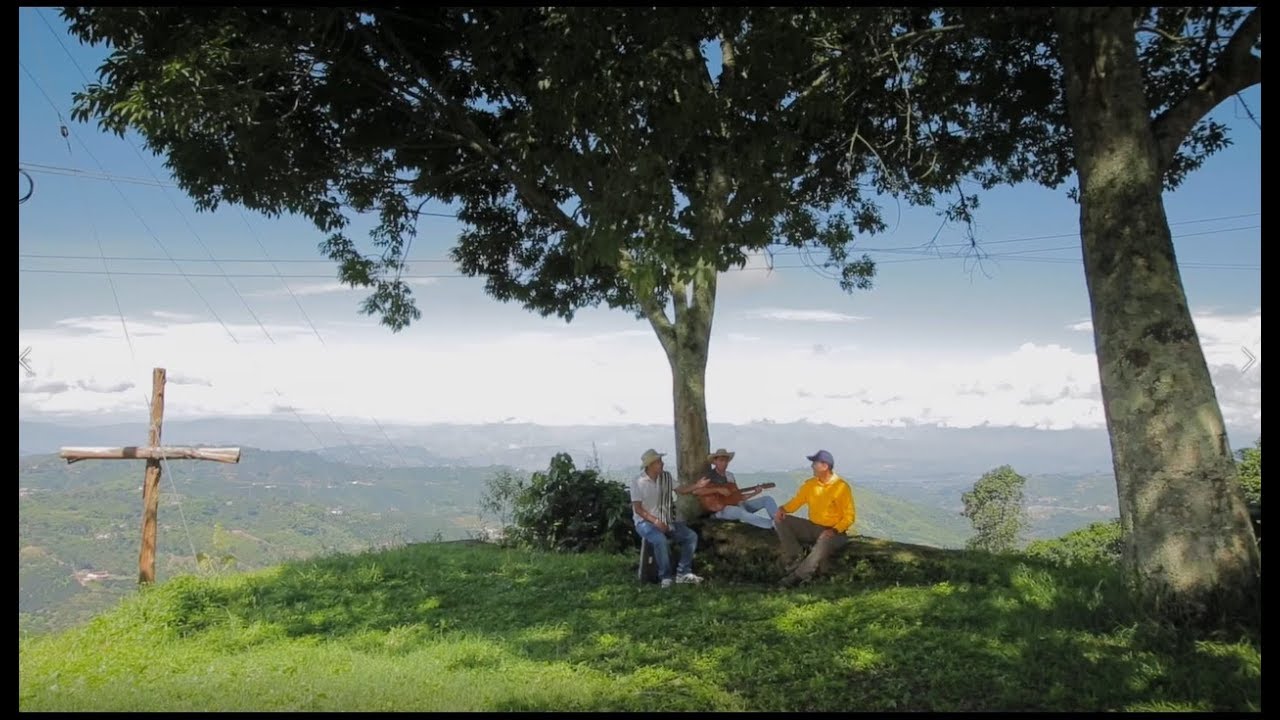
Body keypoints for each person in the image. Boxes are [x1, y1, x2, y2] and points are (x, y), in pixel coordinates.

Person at [773, 449, 856, 587]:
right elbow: (797, 502)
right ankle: (796, 557)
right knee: (780, 520)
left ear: (825, 466)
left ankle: (797, 577)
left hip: (836, 532)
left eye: (815, 463)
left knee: (823, 541)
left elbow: (849, 516)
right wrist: (783, 509)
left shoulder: (841, 487)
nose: (812, 466)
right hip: (813, 527)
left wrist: (834, 530)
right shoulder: (810, 484)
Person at [630, 448, 705, 588]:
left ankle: (683, 573)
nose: (662, 464)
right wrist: (656, 521)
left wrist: (697, 486)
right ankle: (665, 576)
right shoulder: (637, 481)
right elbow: (638, 509)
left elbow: (681, 490)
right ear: (650, 465)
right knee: (660, 540)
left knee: (691, 536)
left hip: (667, 521)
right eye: (658, 462)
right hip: (645, 523)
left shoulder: (666, 477)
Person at [696, 448, 779, 529]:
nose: (724, 463)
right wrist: (717, 489)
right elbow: (698, 491)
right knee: (740, 512)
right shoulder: (709, 476)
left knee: (767, 499)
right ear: (715, 461)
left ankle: (778, 520)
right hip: (723, 510)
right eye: (721, 460)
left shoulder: (730, 476)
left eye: (726, 461)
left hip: (738, 505)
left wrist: (755, 493)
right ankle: (772, 525)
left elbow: (738, 497)